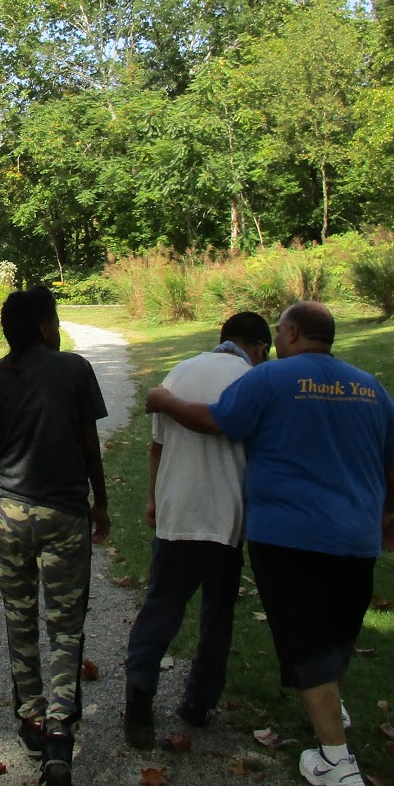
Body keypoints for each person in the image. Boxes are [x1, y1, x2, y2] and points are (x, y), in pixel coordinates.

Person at [148, 301, 394, 786]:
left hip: (288, 535)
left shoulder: (272, 379)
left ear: (290, 332)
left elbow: (217, 420)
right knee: (336, 630)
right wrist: (391, 511)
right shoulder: (370, 387)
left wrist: (164, 402)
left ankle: (336, 762)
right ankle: (330, 705)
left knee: (305, 639)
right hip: (355, 536)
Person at [0, 286, 111, 786]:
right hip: (65, 513)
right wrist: (100, 502)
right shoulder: (75, 370)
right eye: (56, 318)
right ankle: (61, 737)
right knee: (66, 625)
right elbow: (90, 446)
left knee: (19, 618)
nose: (59, 325)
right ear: (45, 326)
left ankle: (31, 720)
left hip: (9, 514)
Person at [123, 311, 272, 749]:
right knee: (217, 613)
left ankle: (138, 702)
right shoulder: (253, 382)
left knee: (161, 608)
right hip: (225, 517)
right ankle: (198, 702)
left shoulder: (180, 371)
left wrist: (154, 498)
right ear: (259, 348)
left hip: (176, 511)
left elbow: (157, 446)